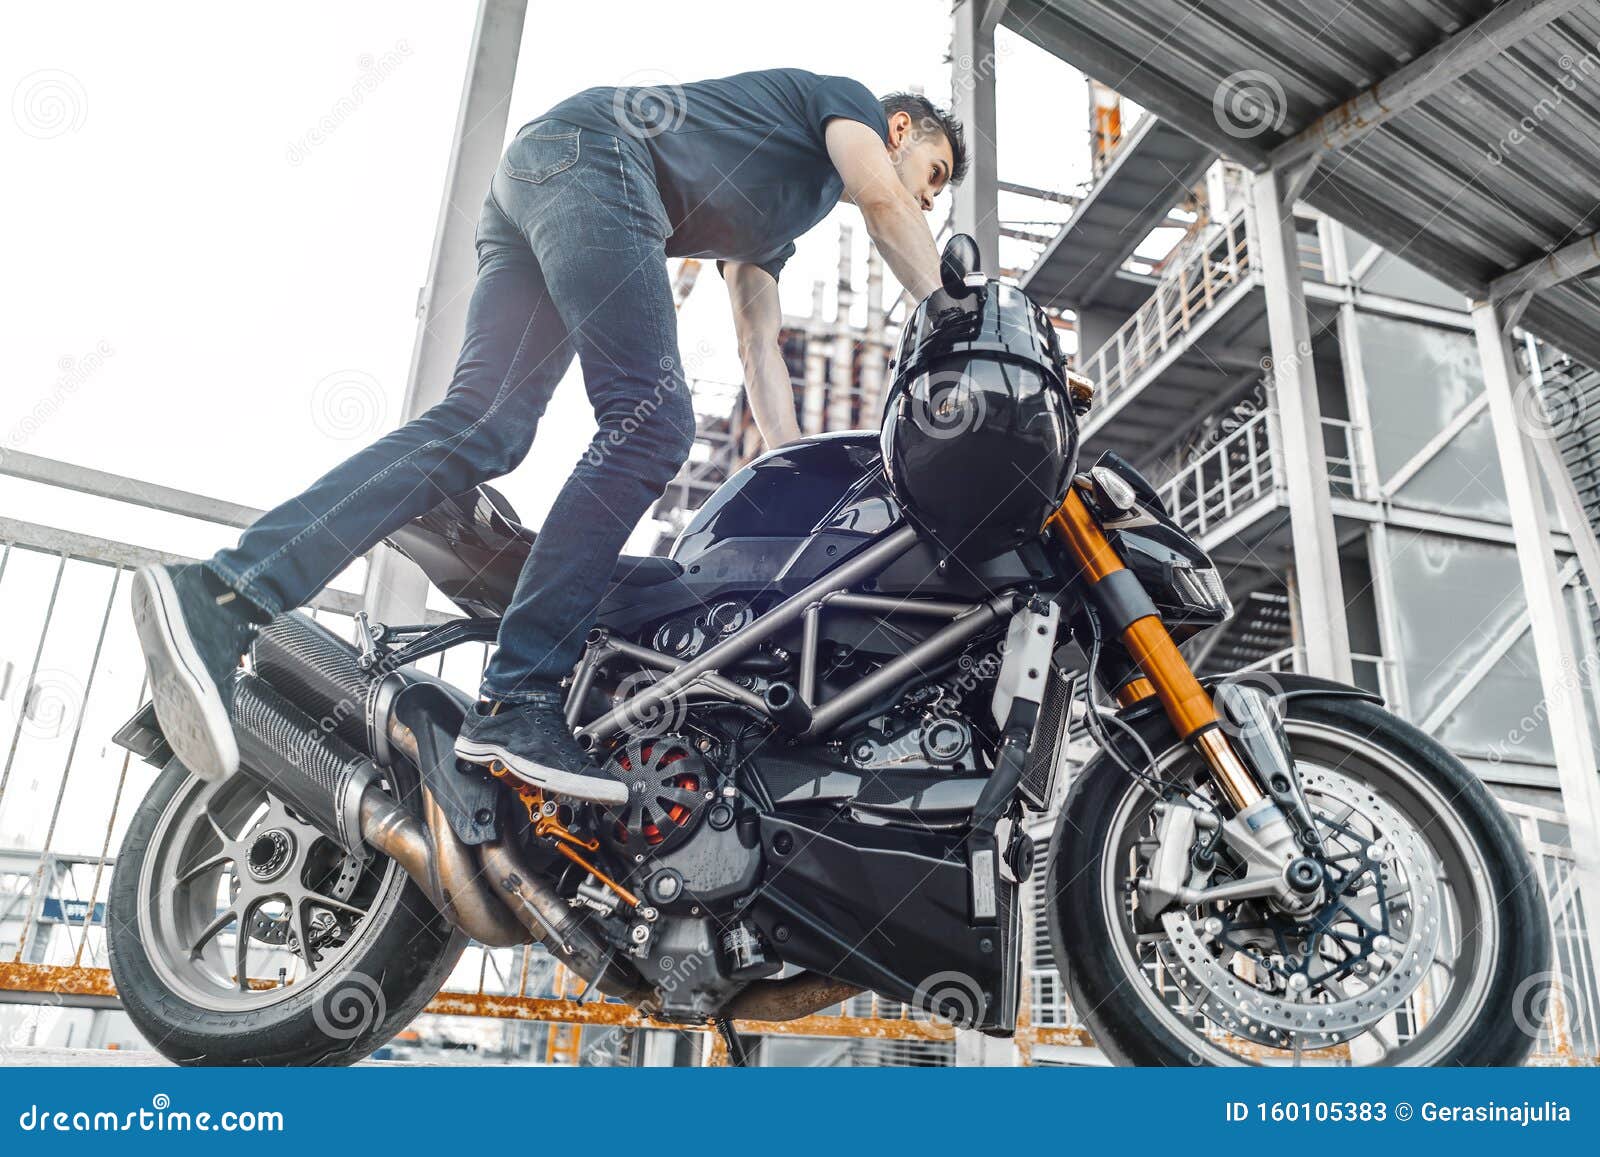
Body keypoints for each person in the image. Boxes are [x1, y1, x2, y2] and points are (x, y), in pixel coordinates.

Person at [130, 68, 965, 805]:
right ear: (899, 132)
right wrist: (957, 319)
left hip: (539, 177)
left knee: (483, 427)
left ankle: (225, 593)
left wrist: (791, 464)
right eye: (935, 173)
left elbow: (756, 341)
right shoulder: (846, 107)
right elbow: (888, 203)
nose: (930, 197)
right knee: (651, 423)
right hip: (598, 162)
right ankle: (522, 695)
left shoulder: (780, 219)